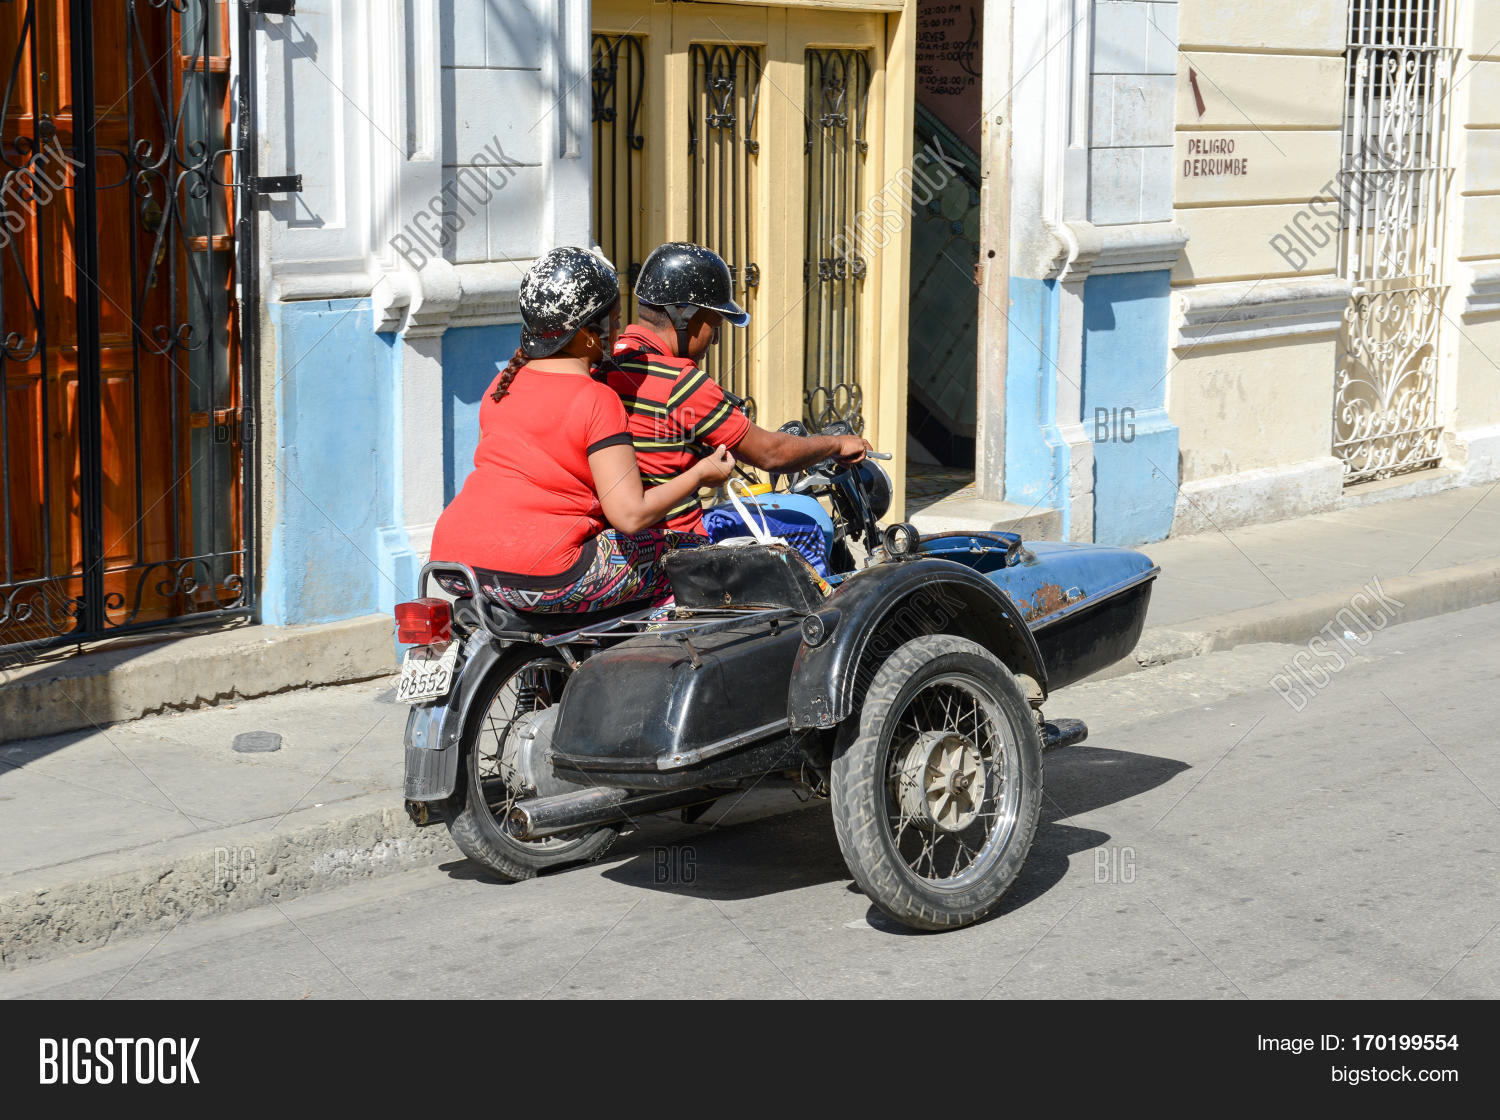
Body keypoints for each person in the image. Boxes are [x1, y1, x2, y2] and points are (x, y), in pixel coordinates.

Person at [429, 247, 734, 613]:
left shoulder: (501, 385)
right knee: (688, 556)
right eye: (616, 322)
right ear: (590, 335)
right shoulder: (596, 399)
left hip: (454, 564)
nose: (621, 333)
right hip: (543, 574)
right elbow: (629, 515)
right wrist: (701, 473)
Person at [602, 242, 870, 537]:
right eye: (714, 325)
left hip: (627, 533)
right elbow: (771, 454)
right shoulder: (682, 383)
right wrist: (838, 445)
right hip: (678, 536)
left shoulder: (610, 360)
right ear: (687, 317)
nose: (714, 340)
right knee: (810, 526)